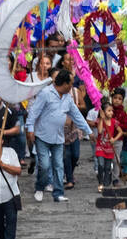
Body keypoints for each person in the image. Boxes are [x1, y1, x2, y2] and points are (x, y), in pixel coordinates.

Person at [27, 71, 90, 204]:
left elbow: (77, 115)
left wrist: (88, 131)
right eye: (71, 83)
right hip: (42, 136)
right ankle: (40, 187)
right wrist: (30, 128)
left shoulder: (68, 97)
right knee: (44, 165)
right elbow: (34, 111)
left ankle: (58, 193)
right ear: (65, 83)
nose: (73, 85)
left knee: (58, 166)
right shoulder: (45, 93)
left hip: (59, 138)